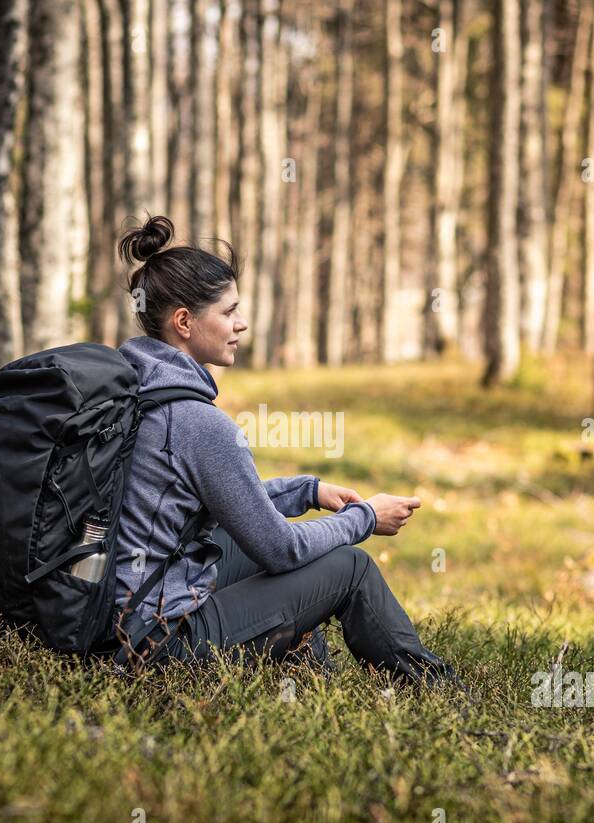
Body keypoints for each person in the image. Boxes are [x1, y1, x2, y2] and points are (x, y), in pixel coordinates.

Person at [112, 215, 460, 688]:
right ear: (184, 322)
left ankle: (306, 671)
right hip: (159, 644)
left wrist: (308, 491)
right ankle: (436, 687)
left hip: (121, 615)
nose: (242, 323)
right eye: (228, 311)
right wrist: (365, 520)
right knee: (348, 566)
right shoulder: (196, 422)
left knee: (237, 541)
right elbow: (282, 549)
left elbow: (232, 503)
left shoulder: (136, 387)